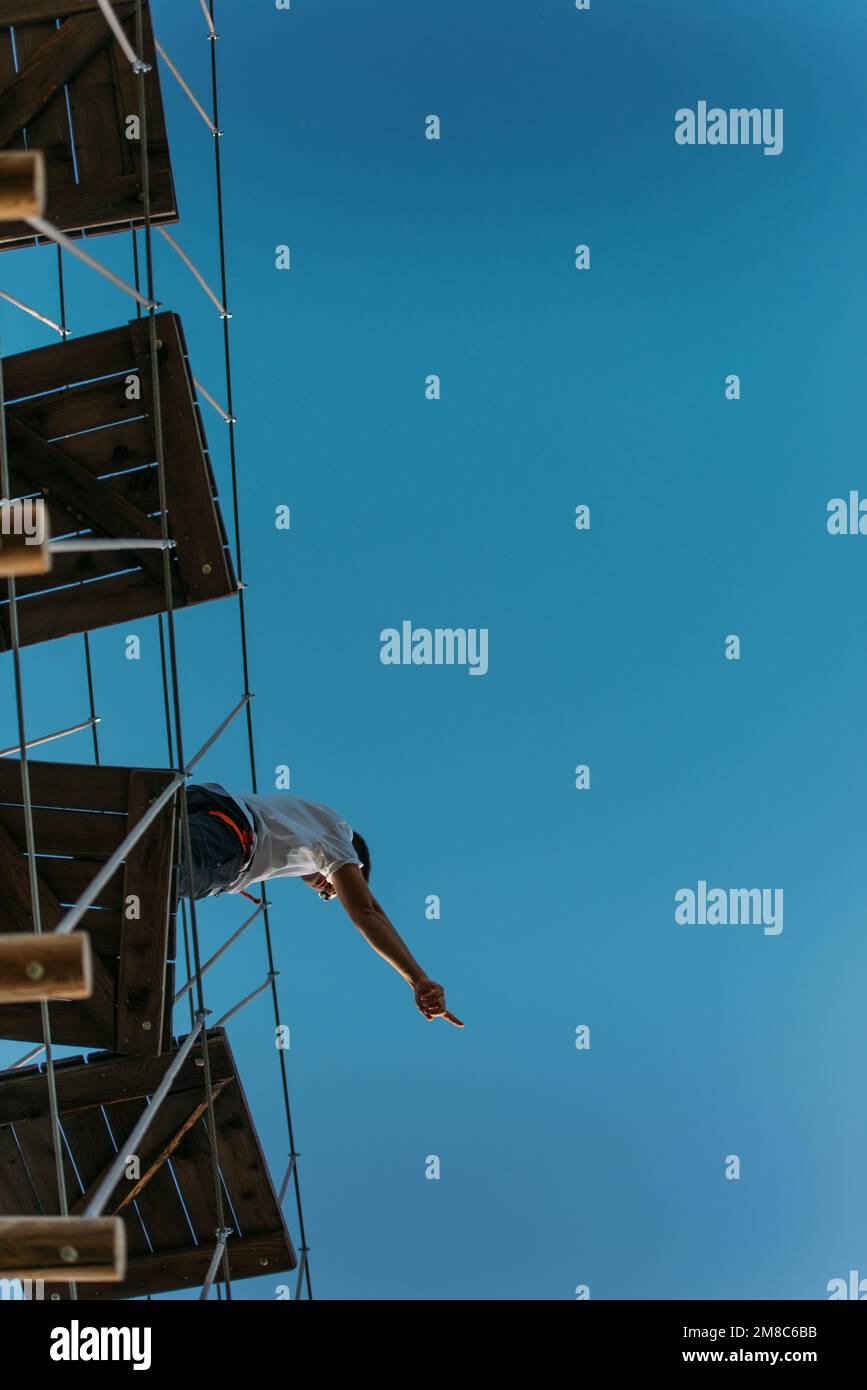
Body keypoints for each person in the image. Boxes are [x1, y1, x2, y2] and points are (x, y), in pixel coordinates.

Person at [176, 782, 463, 1027]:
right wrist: (417, 978)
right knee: (163, 869)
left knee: (149, 855)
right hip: (229, 835)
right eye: (333, 889)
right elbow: (367, 912)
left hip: (205, 803)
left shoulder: (306, 823)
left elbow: (374, 910)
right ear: (348, 869)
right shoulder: (338, 838)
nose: (326, 889)